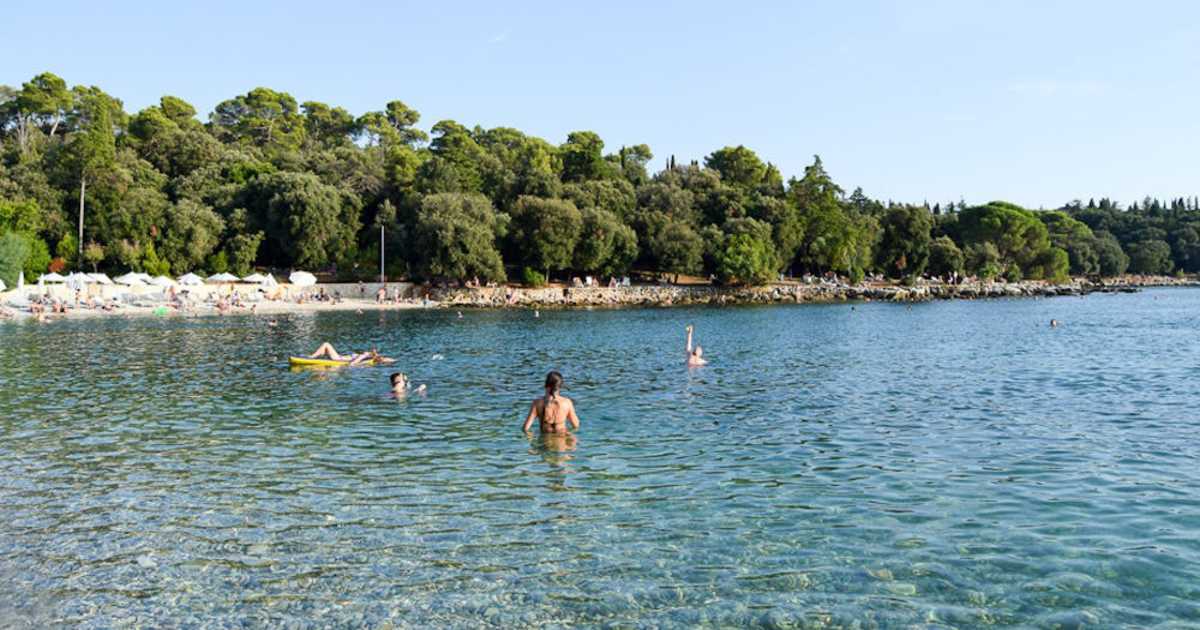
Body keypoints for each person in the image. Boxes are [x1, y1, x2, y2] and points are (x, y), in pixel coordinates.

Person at [309, 342, 395, 365]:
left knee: (326, 344)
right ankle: (314, 356)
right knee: (325, 347)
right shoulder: (368, 356)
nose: (373, 351)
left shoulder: (365, 355)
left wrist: (353, 363)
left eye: (374, 352)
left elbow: (353, 363)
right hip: (339, 357)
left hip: (338, 359)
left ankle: (311, 357)